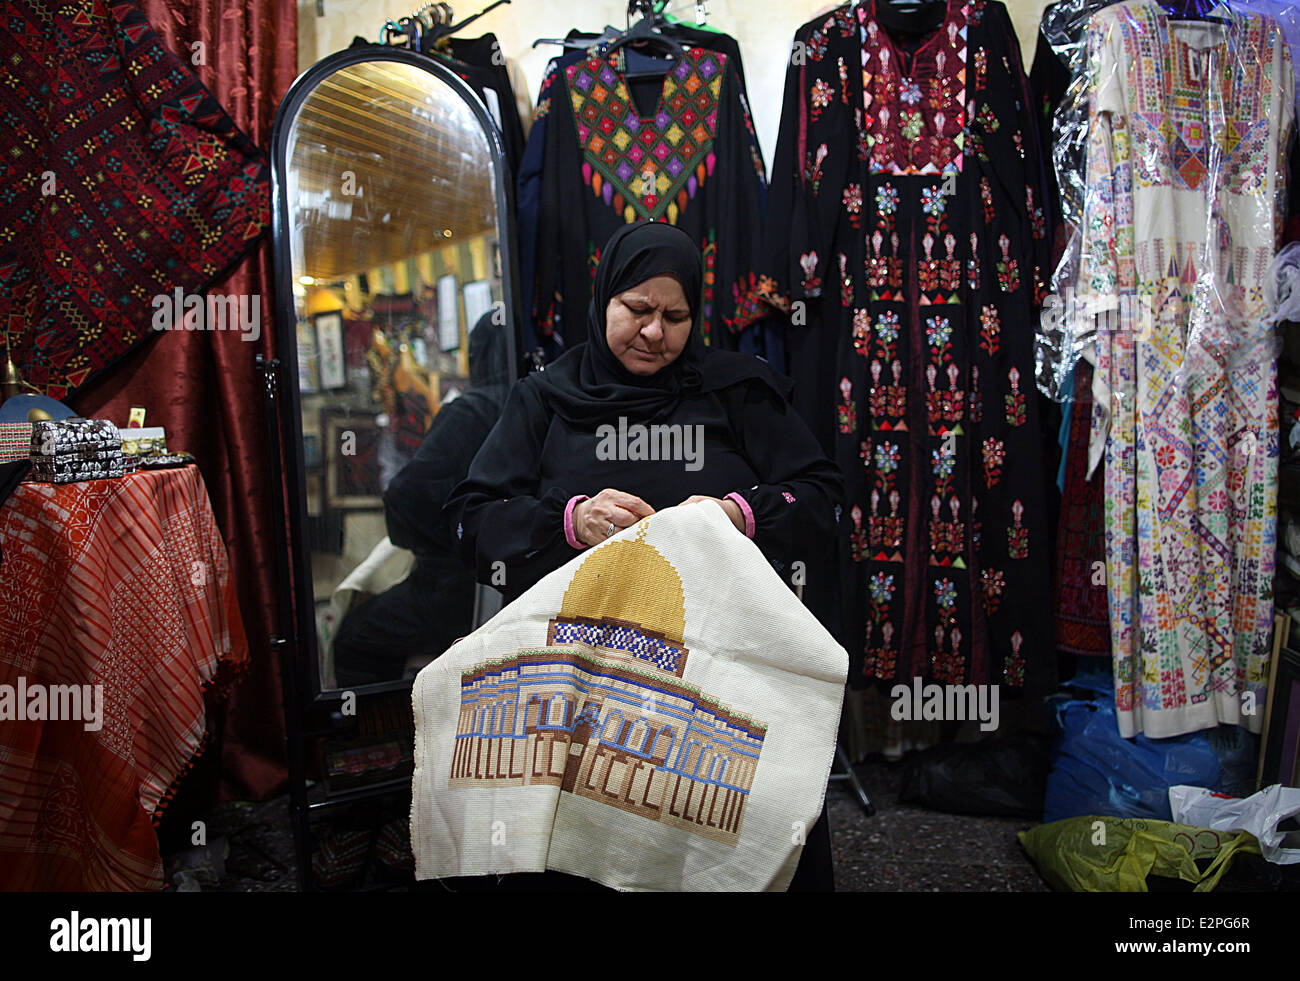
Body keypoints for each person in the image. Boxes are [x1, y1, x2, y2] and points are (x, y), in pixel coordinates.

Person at [444, 221, 845, 891]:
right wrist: (571, 520)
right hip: (582, 678)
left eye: (675, 315)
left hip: (721, 671)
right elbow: (471, 519)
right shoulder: (545, 399)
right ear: (603, 300)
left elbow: (823, 499)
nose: (655, 331)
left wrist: (737, 513)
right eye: (637, 309)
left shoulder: (737, 392)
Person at [332, 314, 510, 687]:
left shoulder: (472, 411)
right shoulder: (543, 403)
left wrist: (435, 542)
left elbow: (408, 497)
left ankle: (392, 739)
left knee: (353, 638)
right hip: (515, 590)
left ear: (475, 357)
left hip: (458, 590)